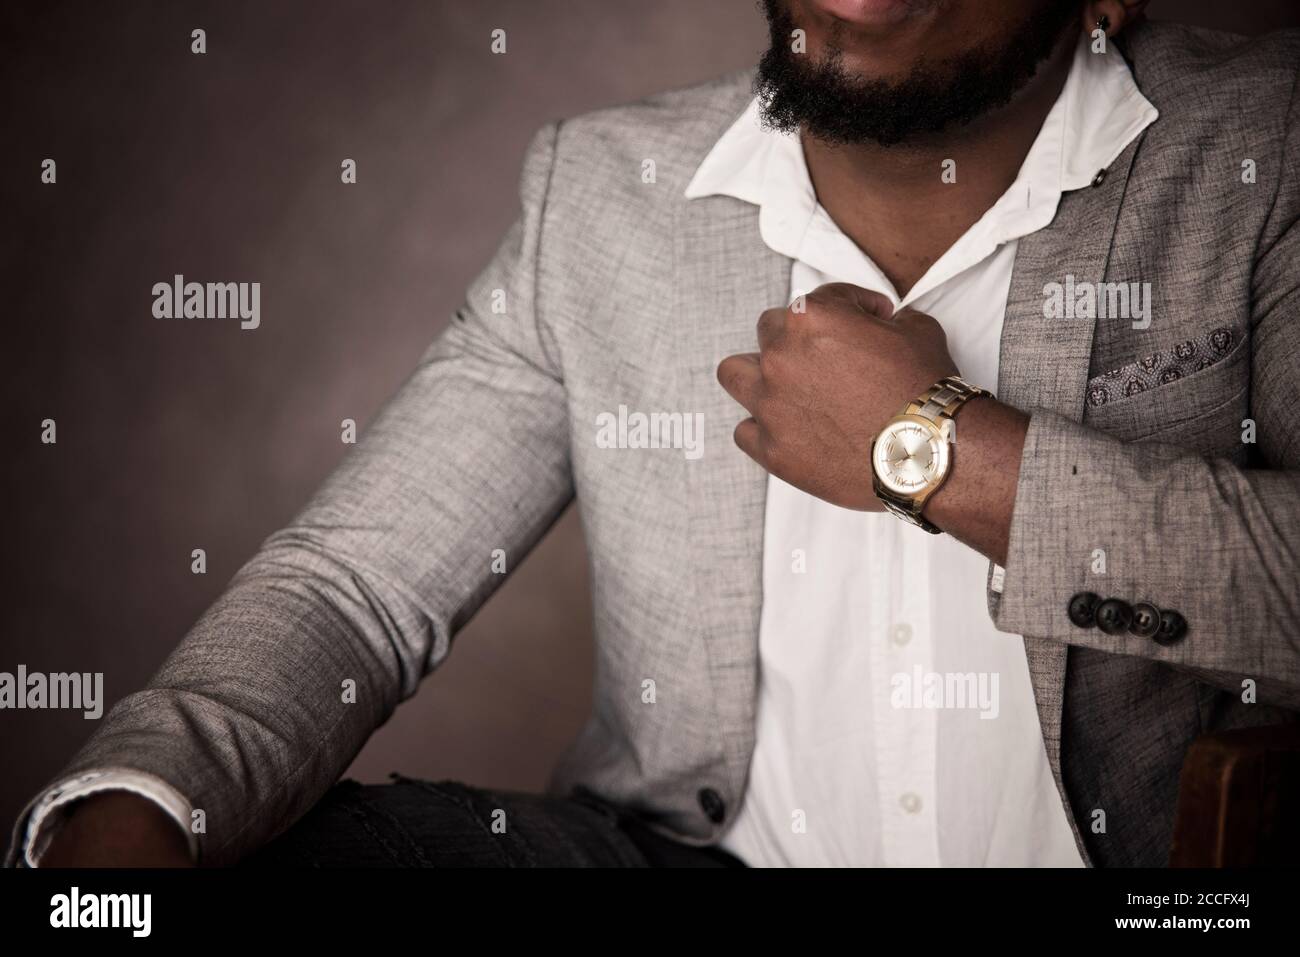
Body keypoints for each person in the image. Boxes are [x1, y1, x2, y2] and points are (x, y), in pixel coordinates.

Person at [11, 0, 1300, 868]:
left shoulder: (1264, 148)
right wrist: (134, 813)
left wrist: (937, 446)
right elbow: (354, 587)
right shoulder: (604, 194)